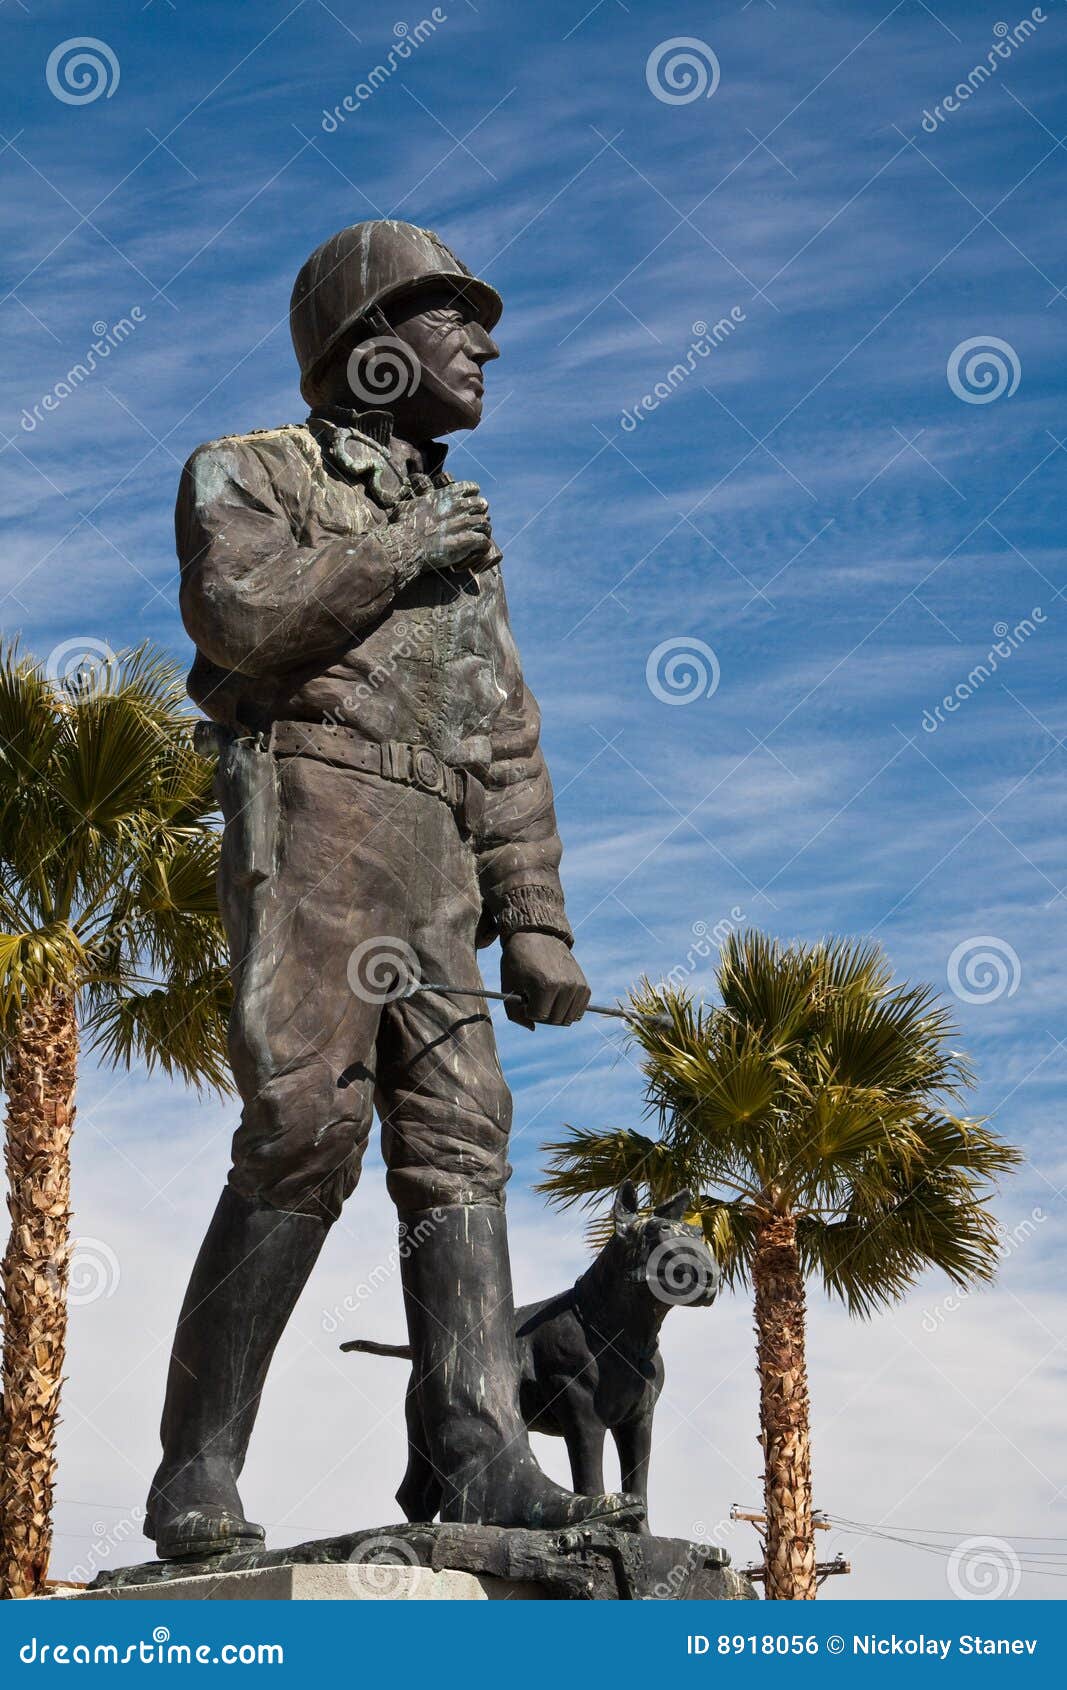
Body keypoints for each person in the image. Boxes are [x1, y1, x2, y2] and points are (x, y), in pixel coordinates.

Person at [146, 220, 642, 1560]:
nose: (483, 342)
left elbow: (504, 729)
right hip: (311, 807)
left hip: (434, 842)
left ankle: (479, 1451)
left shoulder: (464, 539)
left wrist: (532, 911)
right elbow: (238, 617)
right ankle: (197, 1465)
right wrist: (401, 550)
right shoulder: (252, 470)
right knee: (306, 1122)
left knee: (463, 1126)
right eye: (452, 317)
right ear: (368, 343)